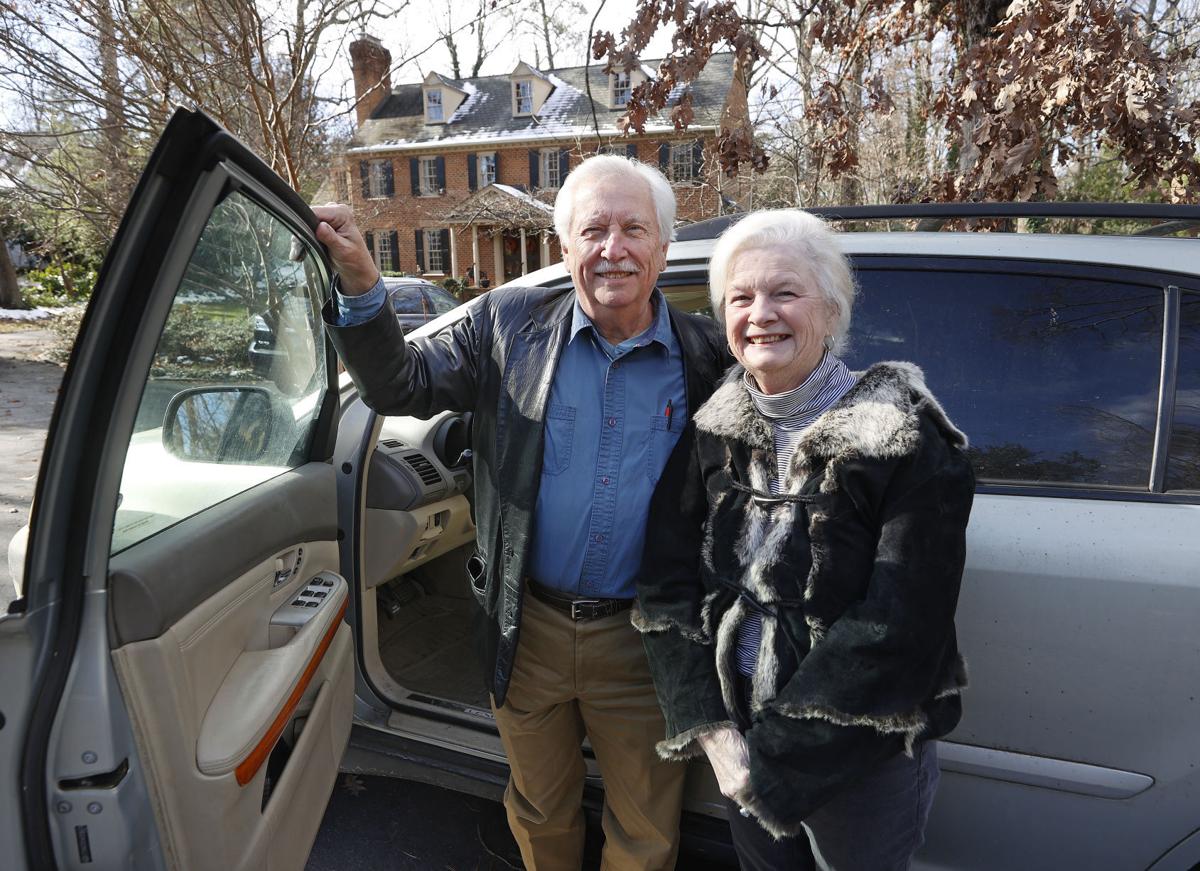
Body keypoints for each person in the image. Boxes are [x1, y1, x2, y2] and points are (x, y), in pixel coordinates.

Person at [313, 155, 728, 870]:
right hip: (524, 626)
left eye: (634, 228)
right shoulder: (509, 325)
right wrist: (361, 281)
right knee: (539, 806)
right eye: (592, 228)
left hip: (647, 639)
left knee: (647, 824)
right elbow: (400, 383)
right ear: (564, 245)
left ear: (664, 244)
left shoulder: (709, 356)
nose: (613, 247)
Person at [634, 209, 975, 870]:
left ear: (832, 308)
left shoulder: (903, 435)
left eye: (785, 292)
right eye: (741, 296)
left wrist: (776, 757)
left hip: (861, 757)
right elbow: (664, 581)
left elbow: (900, 624)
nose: (761, 312)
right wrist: (714, 731)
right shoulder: (715, 427)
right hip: (741, 740)